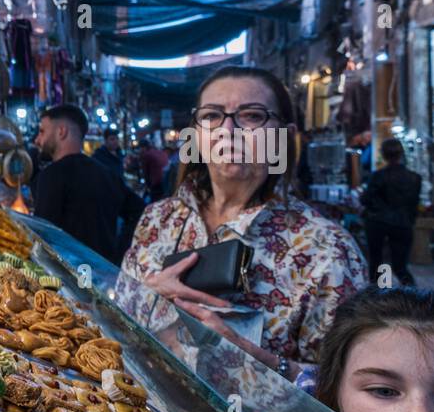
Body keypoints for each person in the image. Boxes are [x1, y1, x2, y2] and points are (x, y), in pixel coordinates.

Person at [120, 66, 368, 379]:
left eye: (252, 115)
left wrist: (252, 355)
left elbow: (351, 389)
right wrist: (146, 294)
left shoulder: (328, 250)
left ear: (285, 136)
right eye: (212, 116)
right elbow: (114, 325)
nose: (228, 129)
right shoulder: (158, 218)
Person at [32, 103, 128, 262]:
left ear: (61, 132)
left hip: (67, 277)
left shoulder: (51, 175)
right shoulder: (108, 174)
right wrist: (119, 254)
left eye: (42, 131)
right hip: (104, 276)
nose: (37, 140)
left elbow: (42, 235)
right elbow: (137, 213)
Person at [361, 137, 421, 287]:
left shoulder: (378, 176)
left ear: (384, 154)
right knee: (400, 266)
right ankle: (412, 297)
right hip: (403, 224)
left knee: (380, 263)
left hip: (379, 223)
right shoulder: (415, 178)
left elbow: (367, 199)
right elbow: (413, 204)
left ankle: (383, 295)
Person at [135, 137, 169, 202]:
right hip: (166, 181)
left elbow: (145, 173)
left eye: (140, 148)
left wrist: (148, 186)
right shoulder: (159, 151)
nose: (139, 150)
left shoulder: (146, 155)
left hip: (157, 183)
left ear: (143, 147)